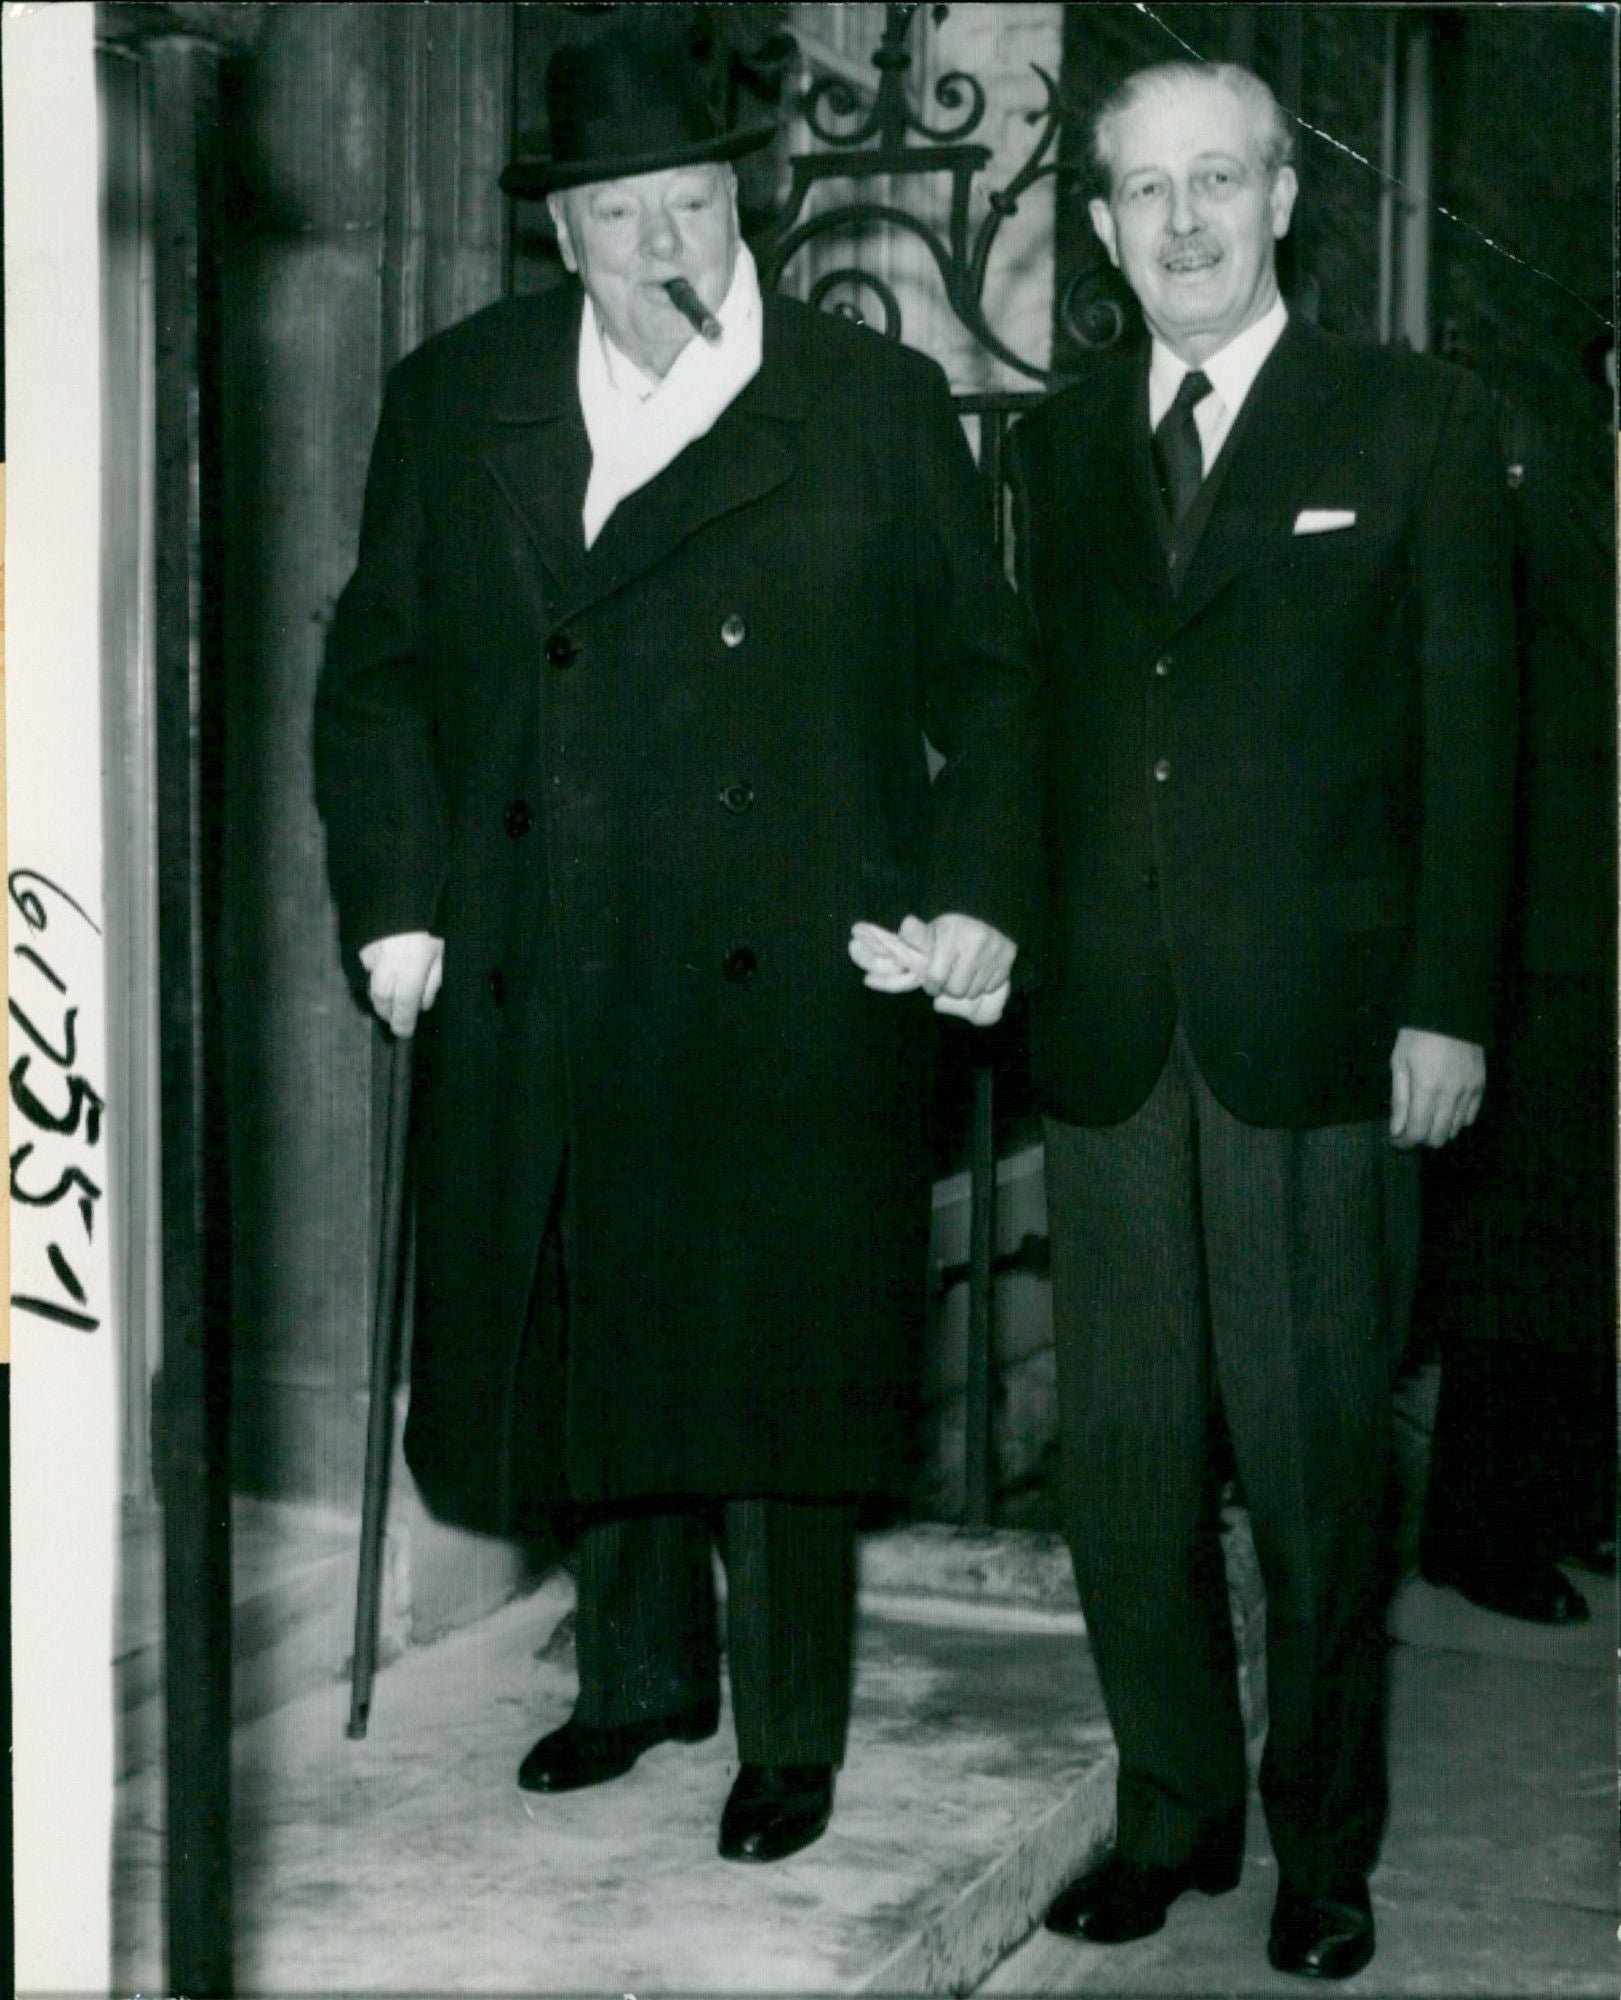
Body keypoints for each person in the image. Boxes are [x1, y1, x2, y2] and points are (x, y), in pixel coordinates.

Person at [313, 18, 1038, 1867]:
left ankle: (787, 1731)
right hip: (547, 952)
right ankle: (637, 1680)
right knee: (594, 1322)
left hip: (789, 960)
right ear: (558, 231)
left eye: (696, 200)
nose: (665, 241)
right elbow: (376, 677)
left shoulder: (866, 399)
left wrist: (972, 891)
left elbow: (994, 684)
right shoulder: (453, 390)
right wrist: (395, 904)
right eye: (621, 208)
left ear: (745, 207)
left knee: (769, 1366)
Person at [1010, 60, 1514, 1981]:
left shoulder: (1415, 422)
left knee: (1312, 1475)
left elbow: (1477, 752)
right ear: (1103, 222)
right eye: (1145, 193)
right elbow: (1034, 735)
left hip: (1321, 1045)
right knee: (1122, 1464)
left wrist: (1446, 1010)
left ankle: (1321, 1850)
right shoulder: (1052, 451)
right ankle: (1172, 1813)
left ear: (1284, 196)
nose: (1185, 224)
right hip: (1110, 1041)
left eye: (1217, 181)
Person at [1414, 330, 1617, 1623]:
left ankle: (1572, 1499)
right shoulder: (1539, 486)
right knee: (1528, 1232)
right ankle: (1476, 1531)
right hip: (1555, 923)